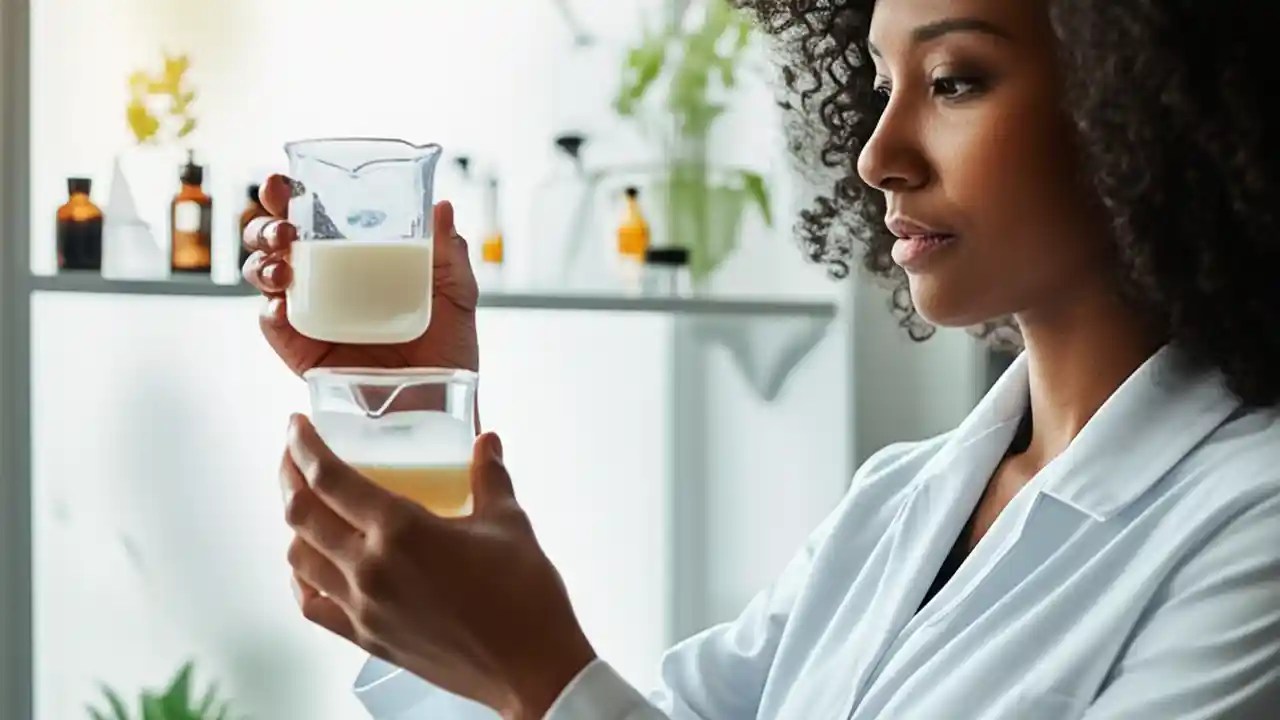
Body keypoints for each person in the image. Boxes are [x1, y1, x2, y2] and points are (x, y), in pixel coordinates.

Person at [242, 0, 1280, 717]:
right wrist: (413, 402)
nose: (877, 152)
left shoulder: (1252, 528)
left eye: (953, 80)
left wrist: (540, 671)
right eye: (878, 82)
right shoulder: (896, 504)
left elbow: (562, 704)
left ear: (1145, 103)